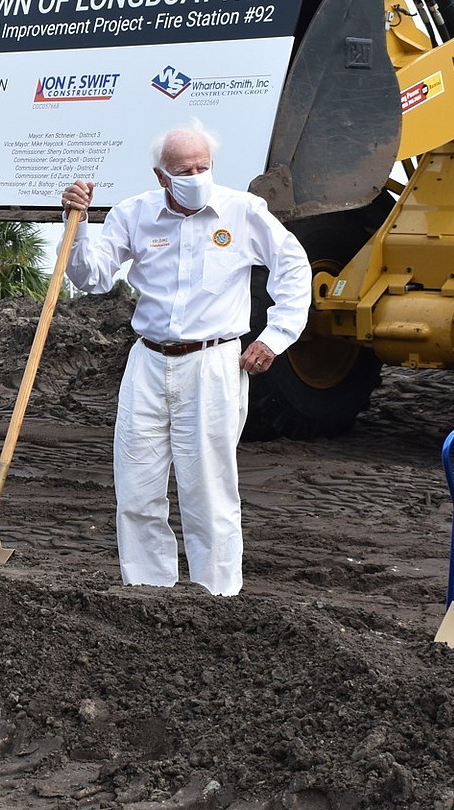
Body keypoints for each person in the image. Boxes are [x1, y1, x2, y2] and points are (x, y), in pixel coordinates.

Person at [61, 122, 310, 594]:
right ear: (162, 176)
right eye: (183, 170)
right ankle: (148, 592)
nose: (195, 176)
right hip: (148, 362)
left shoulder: (244, 211)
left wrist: (274, 337)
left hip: (214, 363)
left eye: (203, 167)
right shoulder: (134, 214)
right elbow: (91, 277)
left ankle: (216, 597)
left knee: (209, 490)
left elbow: (294, 267)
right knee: (137, 486)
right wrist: (78, 225)